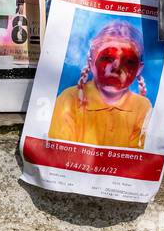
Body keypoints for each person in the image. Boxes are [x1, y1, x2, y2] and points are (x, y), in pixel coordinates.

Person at [49, 19, 151, 148]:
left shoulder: (142, 107)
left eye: (128, 61)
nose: (116, 67)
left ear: (139, 69)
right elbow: (57, 150)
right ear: (91, 61)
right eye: (107, 58)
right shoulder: (69, 99)